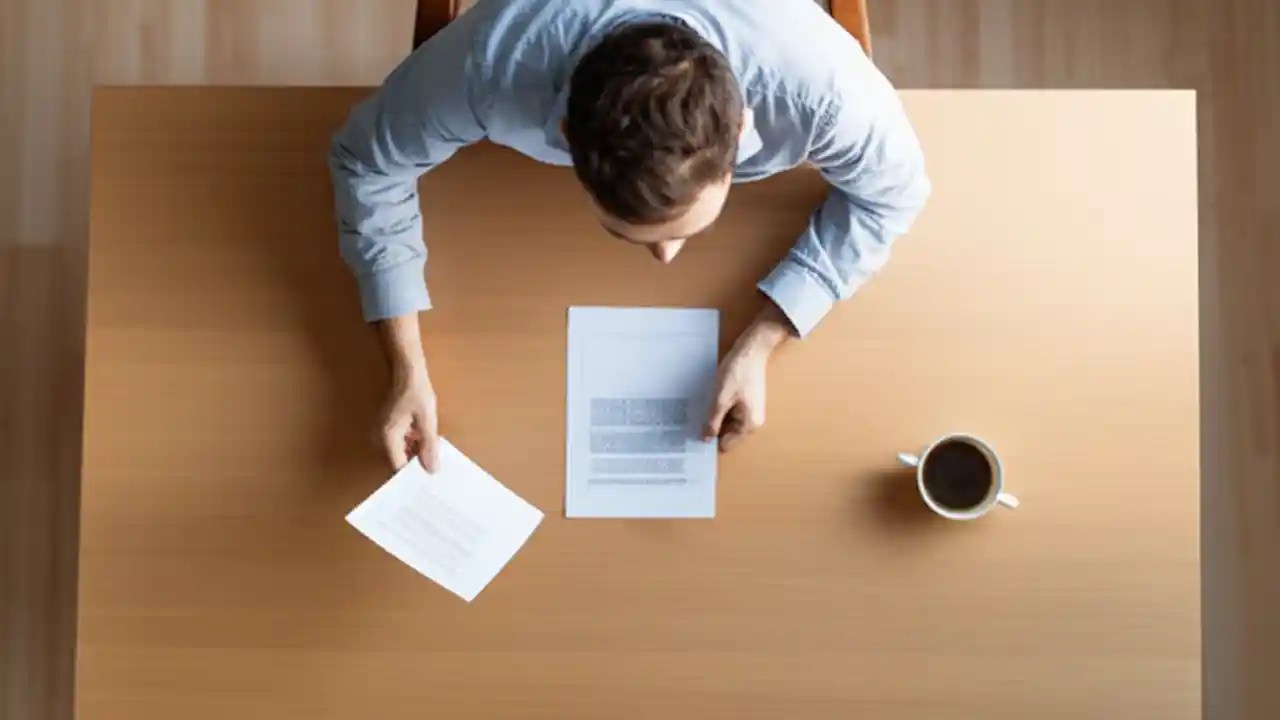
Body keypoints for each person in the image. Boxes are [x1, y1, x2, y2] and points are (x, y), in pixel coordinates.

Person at [329, 0, 930, 472]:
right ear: (566, 134)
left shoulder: (817, 90)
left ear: (742, 128)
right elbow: (367, 161)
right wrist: (403, 362)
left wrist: (766, 336)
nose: (666, 258)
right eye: (627, 235)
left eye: (689, 227)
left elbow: (894, 191)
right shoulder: (494, 65)